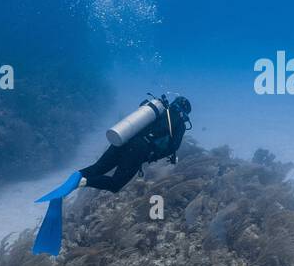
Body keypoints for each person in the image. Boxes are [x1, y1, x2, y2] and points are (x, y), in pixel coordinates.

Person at [33, 94, 192, 254]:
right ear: (185, 113)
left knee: (98, 167)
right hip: (138, 150)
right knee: (115, 184)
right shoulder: (180, 124)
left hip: (124, 139)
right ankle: (82, 182)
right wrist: (153, 156)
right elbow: (173, 147)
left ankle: (76, 176)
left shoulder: (157, 109)